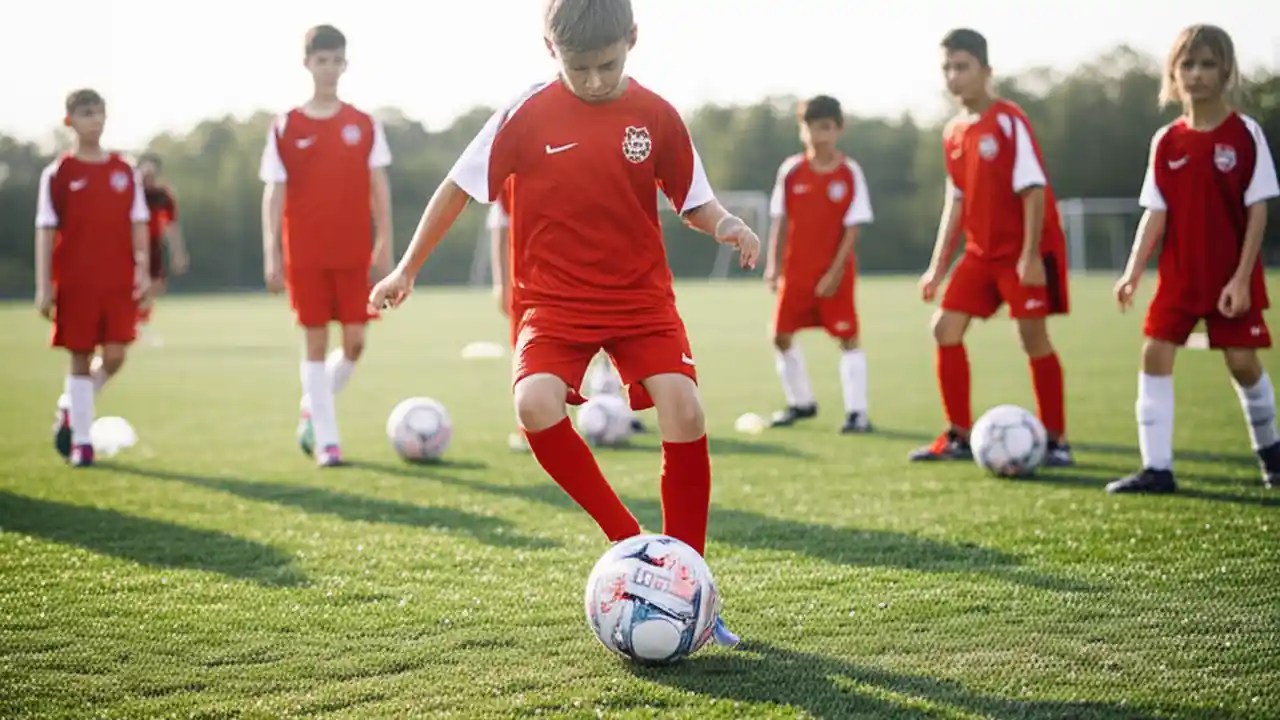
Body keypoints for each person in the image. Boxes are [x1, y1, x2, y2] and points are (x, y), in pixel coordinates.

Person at [369, 0, 759, 647]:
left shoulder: (657, 115)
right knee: (533, 401)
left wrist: (727, 224)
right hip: (554, 302)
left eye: (609, 64)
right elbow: (457, 188)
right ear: (551, 51)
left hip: (640, 298)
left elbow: (694, 199)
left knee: (684, 409)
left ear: (633, 40)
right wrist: (406, 268)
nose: (597, 80)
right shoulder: (524, 114)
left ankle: (688, 577)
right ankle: (630, 541)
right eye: (582, 68)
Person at [1109, 24, 1280, 493]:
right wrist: (1131, 273)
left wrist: (1243, 279)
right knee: (1155, 354)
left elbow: (1258, 210)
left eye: (1207, 64)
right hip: (1180, 278)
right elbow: (1155, 214)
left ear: (1226, 70)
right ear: (1173, 73)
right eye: (1188, 65)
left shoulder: (1245, 134)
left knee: (1242, 362)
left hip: (1231, 276)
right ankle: (1157, 468)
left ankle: (1272, 454)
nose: (1197, 74)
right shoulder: (1167, 141)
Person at [913, 28, 1073, 467]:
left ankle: (1057, 440)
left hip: (1023, 253)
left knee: (1031, 337)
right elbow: (957, 201)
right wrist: (937, 267)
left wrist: (1029, 257)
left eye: (962, 67)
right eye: (947, 68)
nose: (953, 77)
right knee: (944, 330)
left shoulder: (1008, 120)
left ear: (986, 71)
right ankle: (960, 436)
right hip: (980, 254)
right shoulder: (952, 132)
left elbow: (1034, 190)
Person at [259, 24, 394, 467]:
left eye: (337, 60)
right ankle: (327, 442)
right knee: (315, 344)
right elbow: (273, 195)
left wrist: (384, 244)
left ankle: (313, 405)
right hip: (306, 255)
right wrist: (271, 254)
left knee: (355, 343)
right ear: (307, 64)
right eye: (322, 60)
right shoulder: (285, 126)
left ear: (345, 64)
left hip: (354, 252)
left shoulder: (364, 124)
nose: (330, 68)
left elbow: (379, 188)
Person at [38, 89, 151, 466]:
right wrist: (43, 287)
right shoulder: (59, 172)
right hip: (75, 280)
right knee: (80, 357)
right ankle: (81, 442)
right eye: (87, 114)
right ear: (70, 120)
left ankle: (72, 405)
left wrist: (143, 271)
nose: (95, 121)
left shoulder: (124, 170)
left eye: (100, 113)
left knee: (116, 355)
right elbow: (45, 230)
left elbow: (139, 223)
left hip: (117, 279)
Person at [765, 95, 874, 433]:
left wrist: (834, 273)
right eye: (812, 127)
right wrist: (773, 265)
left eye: (826, 127)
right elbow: (779, 222)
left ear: (838, 129)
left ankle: (858, 413)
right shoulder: (791, 170)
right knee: (780, 336)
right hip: (797, 272)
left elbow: (853, 229)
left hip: (834, 275)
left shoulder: (850, 172)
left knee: (847, 339)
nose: (819, 134)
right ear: (803, 130)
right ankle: (802, 403)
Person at [134, 152, 189, 344]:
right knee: (135, 285)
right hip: (131, 245)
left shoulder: (163, 196)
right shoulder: (131, 192)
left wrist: (178, 253)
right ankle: (134, 324)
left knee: (154, 285)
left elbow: (172, 226)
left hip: (153, 245)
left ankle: (141, 323)